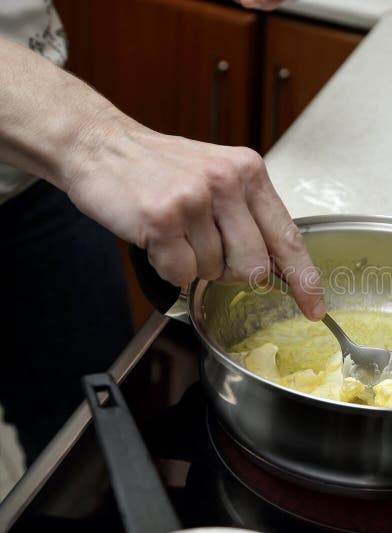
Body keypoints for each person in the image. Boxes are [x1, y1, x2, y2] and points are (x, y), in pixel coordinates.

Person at [0, 0, 324, 469]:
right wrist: (97, 142)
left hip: (35, 180)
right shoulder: (86, 147)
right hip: (59, 140)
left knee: (95, 436)